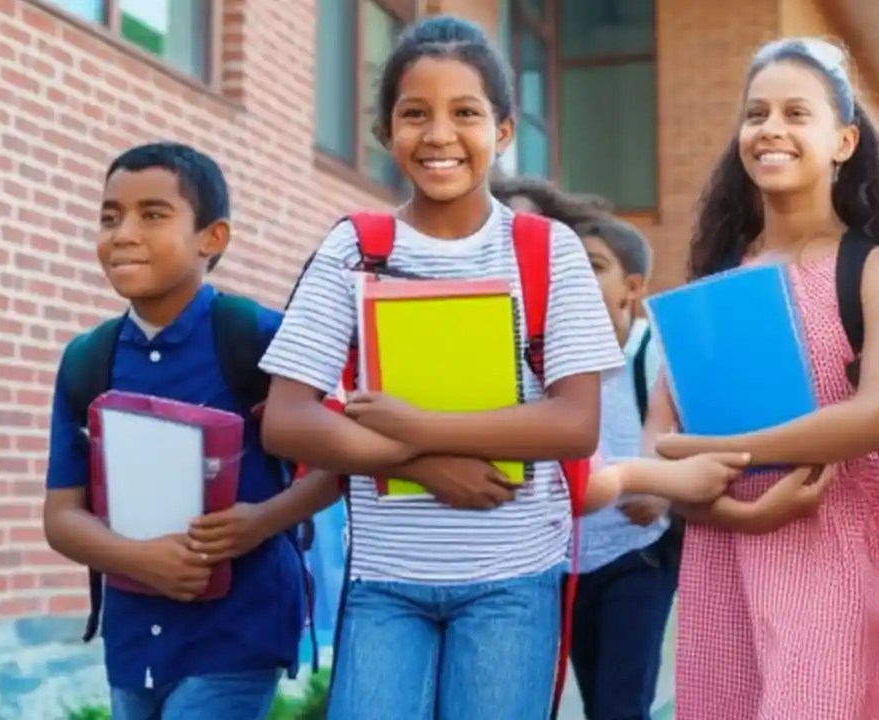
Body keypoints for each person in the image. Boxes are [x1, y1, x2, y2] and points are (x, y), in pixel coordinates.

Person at [255, 16, 625, 720]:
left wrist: (421, 426)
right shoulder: (353, 249)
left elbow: (574, 424)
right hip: (386, 582)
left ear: (504, 131)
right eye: (414, 114)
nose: (439, 135)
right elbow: (286, 419)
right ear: (384, 133)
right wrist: (422, 461)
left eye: (466, 113)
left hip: (513, 580)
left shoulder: (548, 252)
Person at [647, 38, 879, 719]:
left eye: (797, 113)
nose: (770, 129)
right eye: (756, 114)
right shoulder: (713, 286)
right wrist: (735, 508)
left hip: (835, 539)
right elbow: (660, 442)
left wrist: (728, 452)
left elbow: (874, 417)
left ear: (844, 140)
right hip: (723, 548)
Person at [42, 142, 333, 720]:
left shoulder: (260, 337)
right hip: (131, 643)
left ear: (212, 238)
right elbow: (61, 516)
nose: (123, 233)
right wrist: (137, 558)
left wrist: (261, 522)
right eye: (109, 216)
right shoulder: (87, 360)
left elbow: (337, 465)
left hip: (237, 632)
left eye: (152, 214)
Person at [568, 215, 675, 720]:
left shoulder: (655, 355)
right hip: (568, 558)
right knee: (592, 698)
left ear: (632, 287)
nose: (576, 276)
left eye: (593, 266)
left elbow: (697, 439)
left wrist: (664, 492)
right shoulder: (552, 360)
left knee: (620, 704)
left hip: (639, 553)